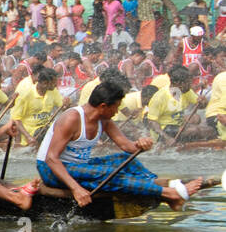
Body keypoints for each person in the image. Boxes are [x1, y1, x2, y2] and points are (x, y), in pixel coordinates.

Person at [38, 81, 202, 210]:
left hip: (77, 166)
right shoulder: (72, 119)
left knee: (126, 161)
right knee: (110, 174)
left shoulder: (105, 120)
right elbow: (51, 158)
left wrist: (141, 144)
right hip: (50, 169)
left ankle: (165, 188)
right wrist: (76, 189)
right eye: (116, 106)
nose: (117, 111)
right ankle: (169, 193)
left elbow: (128, 148)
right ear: (103, 106)